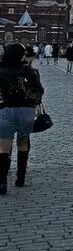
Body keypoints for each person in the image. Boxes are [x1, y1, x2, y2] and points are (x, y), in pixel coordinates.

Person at [0, 44, 43, 194]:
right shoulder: (28, 70)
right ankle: (20, 178)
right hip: (26, 111)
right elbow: (40, 90)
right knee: (23, 143)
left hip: (5, 110)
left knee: (4, 147)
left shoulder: (1, 69)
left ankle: (2, 181)